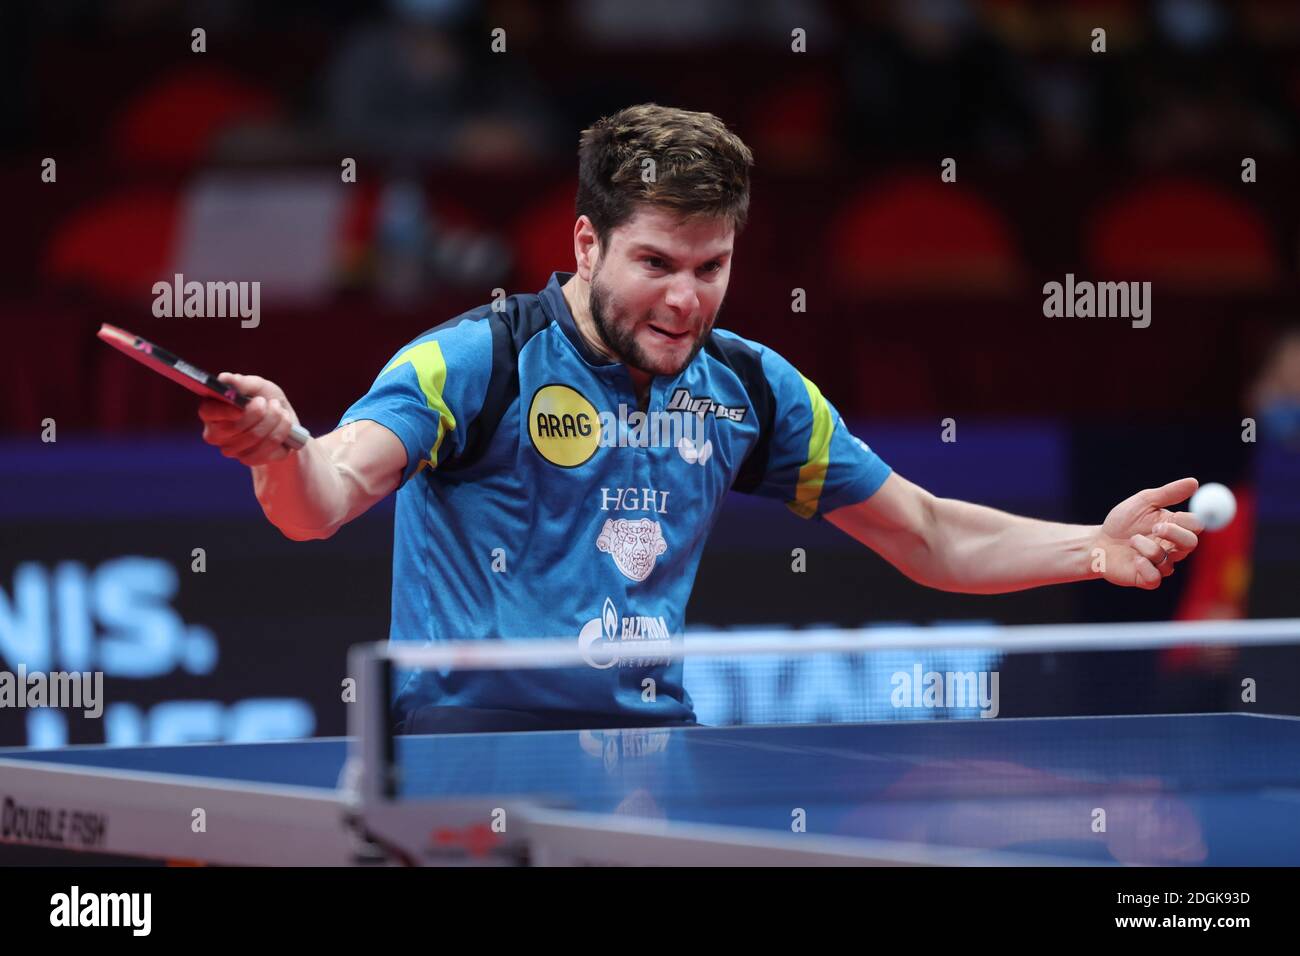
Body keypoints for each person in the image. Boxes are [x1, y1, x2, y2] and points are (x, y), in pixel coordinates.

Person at [197, 104, 1203, 735]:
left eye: (709, 268)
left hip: (651, 754)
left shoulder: (749, 388)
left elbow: (928, 532)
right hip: (465, 757)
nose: (685, 300)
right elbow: (318, 501)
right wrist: (281, 446)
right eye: (656, 265)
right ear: (587, 245)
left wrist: (1091, 548)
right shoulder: (475, 359)